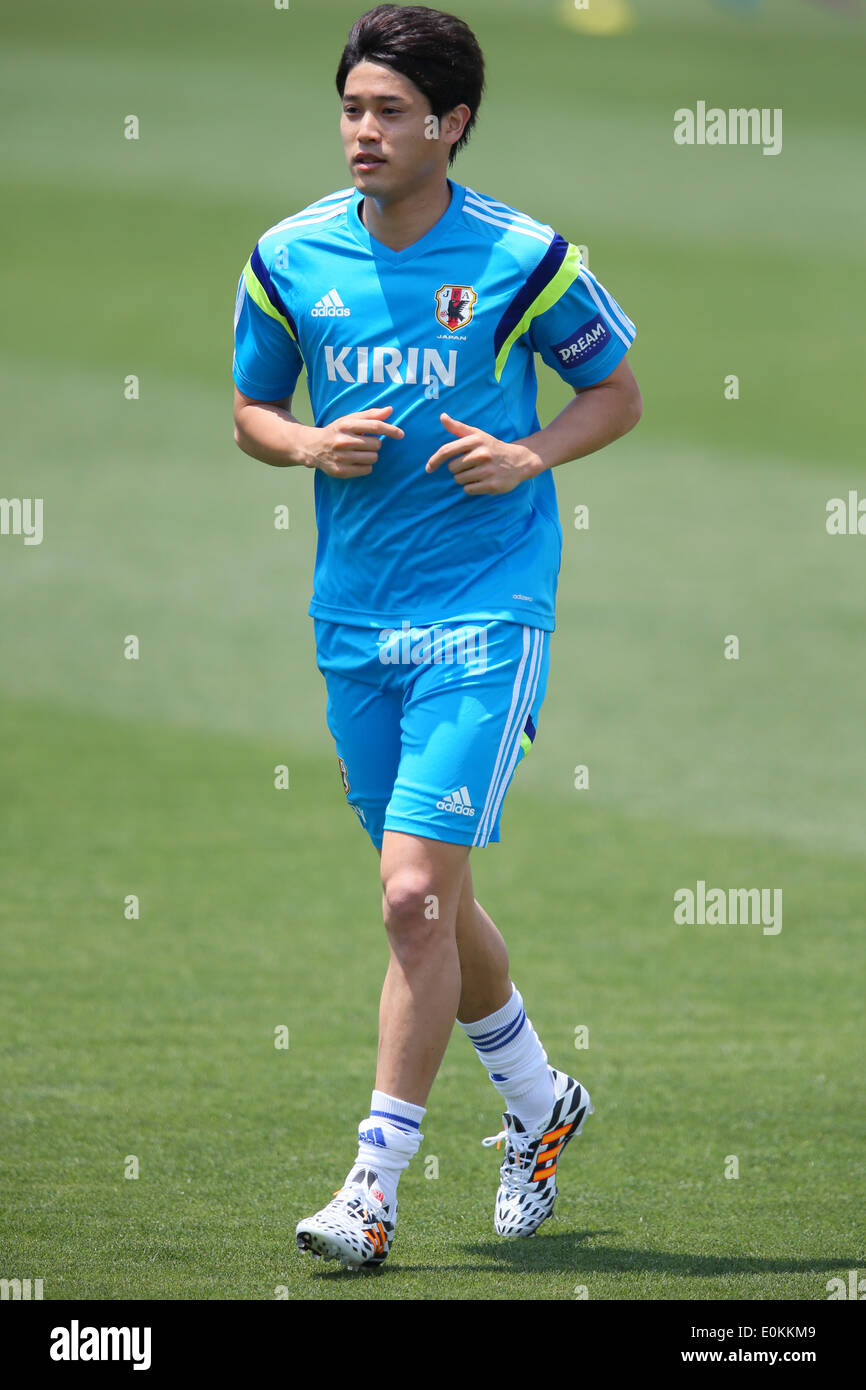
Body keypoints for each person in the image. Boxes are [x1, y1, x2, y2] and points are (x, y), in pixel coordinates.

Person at [232, 3, 642, 1269]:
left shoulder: (523, 257)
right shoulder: (289, 255)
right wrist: (305, 441)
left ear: (450, 124)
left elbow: (613, 390)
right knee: (432, 897)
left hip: (486, 606)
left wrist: (528, 452)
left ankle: (371, 1187)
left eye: (389, 112)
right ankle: (538, 1101)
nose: (363, 131)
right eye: (352, 107)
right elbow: (252, 402)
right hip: (352, 615)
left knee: (411, 895)